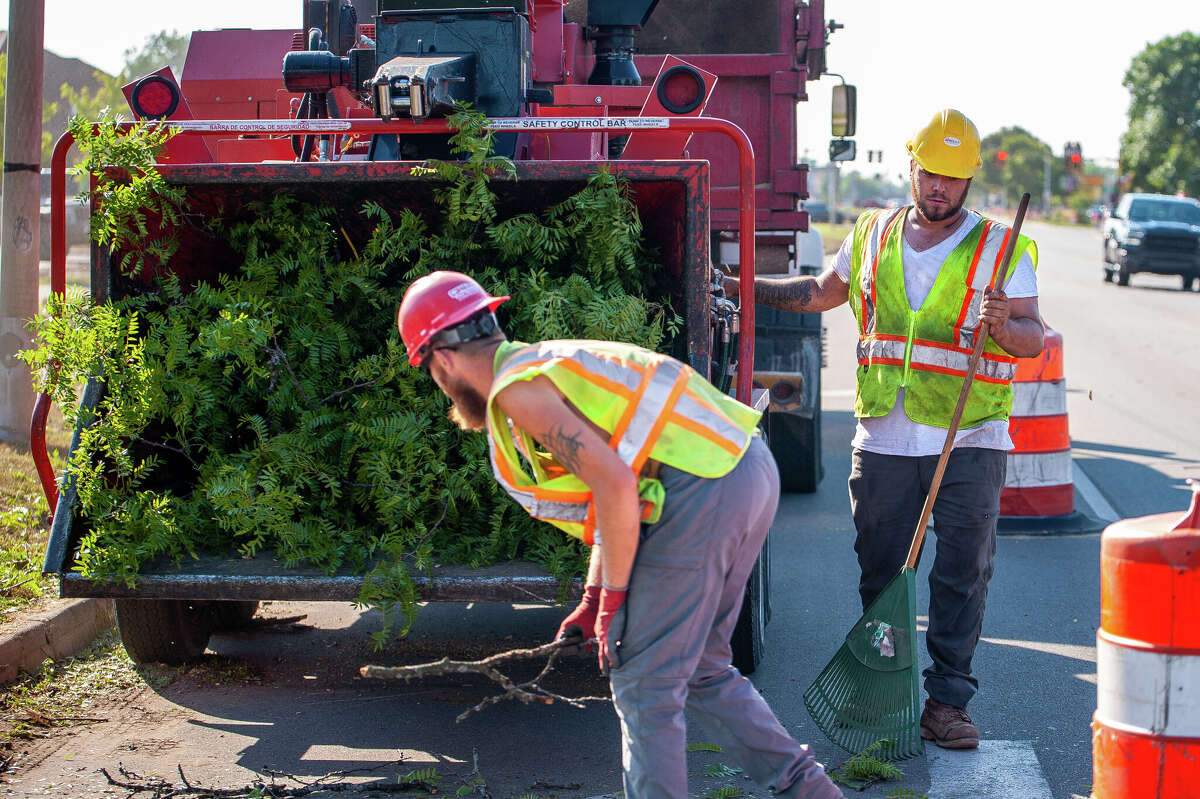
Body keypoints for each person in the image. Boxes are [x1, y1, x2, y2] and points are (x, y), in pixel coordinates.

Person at [397, 271, 844, 799]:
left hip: (702, 490)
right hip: (743, 467)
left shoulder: (517, 388)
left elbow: (614, 487)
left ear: (440, 359)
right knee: (701, 668)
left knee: (645, 683)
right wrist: (593, 595)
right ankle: (811, 792)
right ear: (489, 320)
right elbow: (618, 481)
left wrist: (612, 598)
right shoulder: (544, 363)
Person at [726, 109, 1044, 750]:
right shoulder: (871, 232)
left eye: (954, 179)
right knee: (880, 573)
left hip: (969, 437)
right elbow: (821, 291)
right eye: (932, 175)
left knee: (961, 574)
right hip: (885, 438)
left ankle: (947, 702)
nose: (941, 189)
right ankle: (883, 690)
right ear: (912, 167)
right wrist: (740, 285)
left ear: (969, 181)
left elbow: (1033, 339)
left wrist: (1004, 326)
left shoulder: (1003, 248)